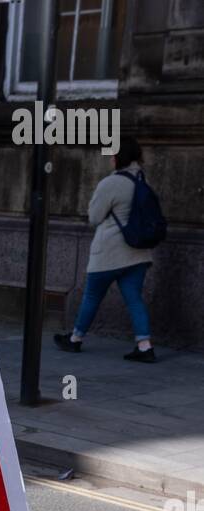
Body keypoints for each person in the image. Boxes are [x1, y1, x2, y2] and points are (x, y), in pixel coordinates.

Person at [55, 137, 156, 363]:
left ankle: (75, 339)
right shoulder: (141, 179)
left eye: (112, 155)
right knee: (134, 299)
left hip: (110, 252)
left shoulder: (110, 183)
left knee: (91, 296)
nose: (110, 158)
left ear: (119, 157)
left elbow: (94, 217)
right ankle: (145, 345)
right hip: (137, 253)